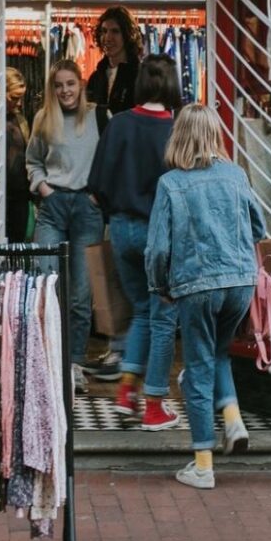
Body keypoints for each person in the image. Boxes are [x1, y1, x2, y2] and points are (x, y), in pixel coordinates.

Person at [147, 103, 265, 488]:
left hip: (197, 285)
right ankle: (233, 420)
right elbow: (259, 226)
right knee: (217, 354)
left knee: (197, 367)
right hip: (240, 281)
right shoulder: (235, 175)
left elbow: (159, 250)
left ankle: (202, 463)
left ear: (178, 137)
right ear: (215, 135)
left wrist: (160, 287)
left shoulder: (171, 184)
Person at [90, 55, 183, 431]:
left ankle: (128, 388)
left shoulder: (120, 124)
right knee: (163, 318)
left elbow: (95, 189)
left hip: (122, 230)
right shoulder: (175, 131)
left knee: (142, 311)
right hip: (158, 234)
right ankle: (153, 404)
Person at [27, 59, 119, 386]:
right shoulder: (43, 119)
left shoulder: (98, 116)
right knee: (45, 285)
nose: (65, 90)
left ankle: (73, 364)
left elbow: (112, 162)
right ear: (52, 89)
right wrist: (44, 189)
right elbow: (33, 161)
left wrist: (98, 196)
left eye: (70, 84)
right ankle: (46, 361)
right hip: (53, 206)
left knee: (80, 294)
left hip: (86, 207)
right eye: (58, 85)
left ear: (81, 84)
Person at [86, 6, 142, 126]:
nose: (107, 38)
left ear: (127, 35)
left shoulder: (141, 76)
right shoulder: (96, 77)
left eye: (115, 31)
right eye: (104, 31)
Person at [6, 70, 32, 242]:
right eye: (14, 98)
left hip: (20, 197)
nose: (19, 103)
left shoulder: (21, 121)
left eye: (21, 97)